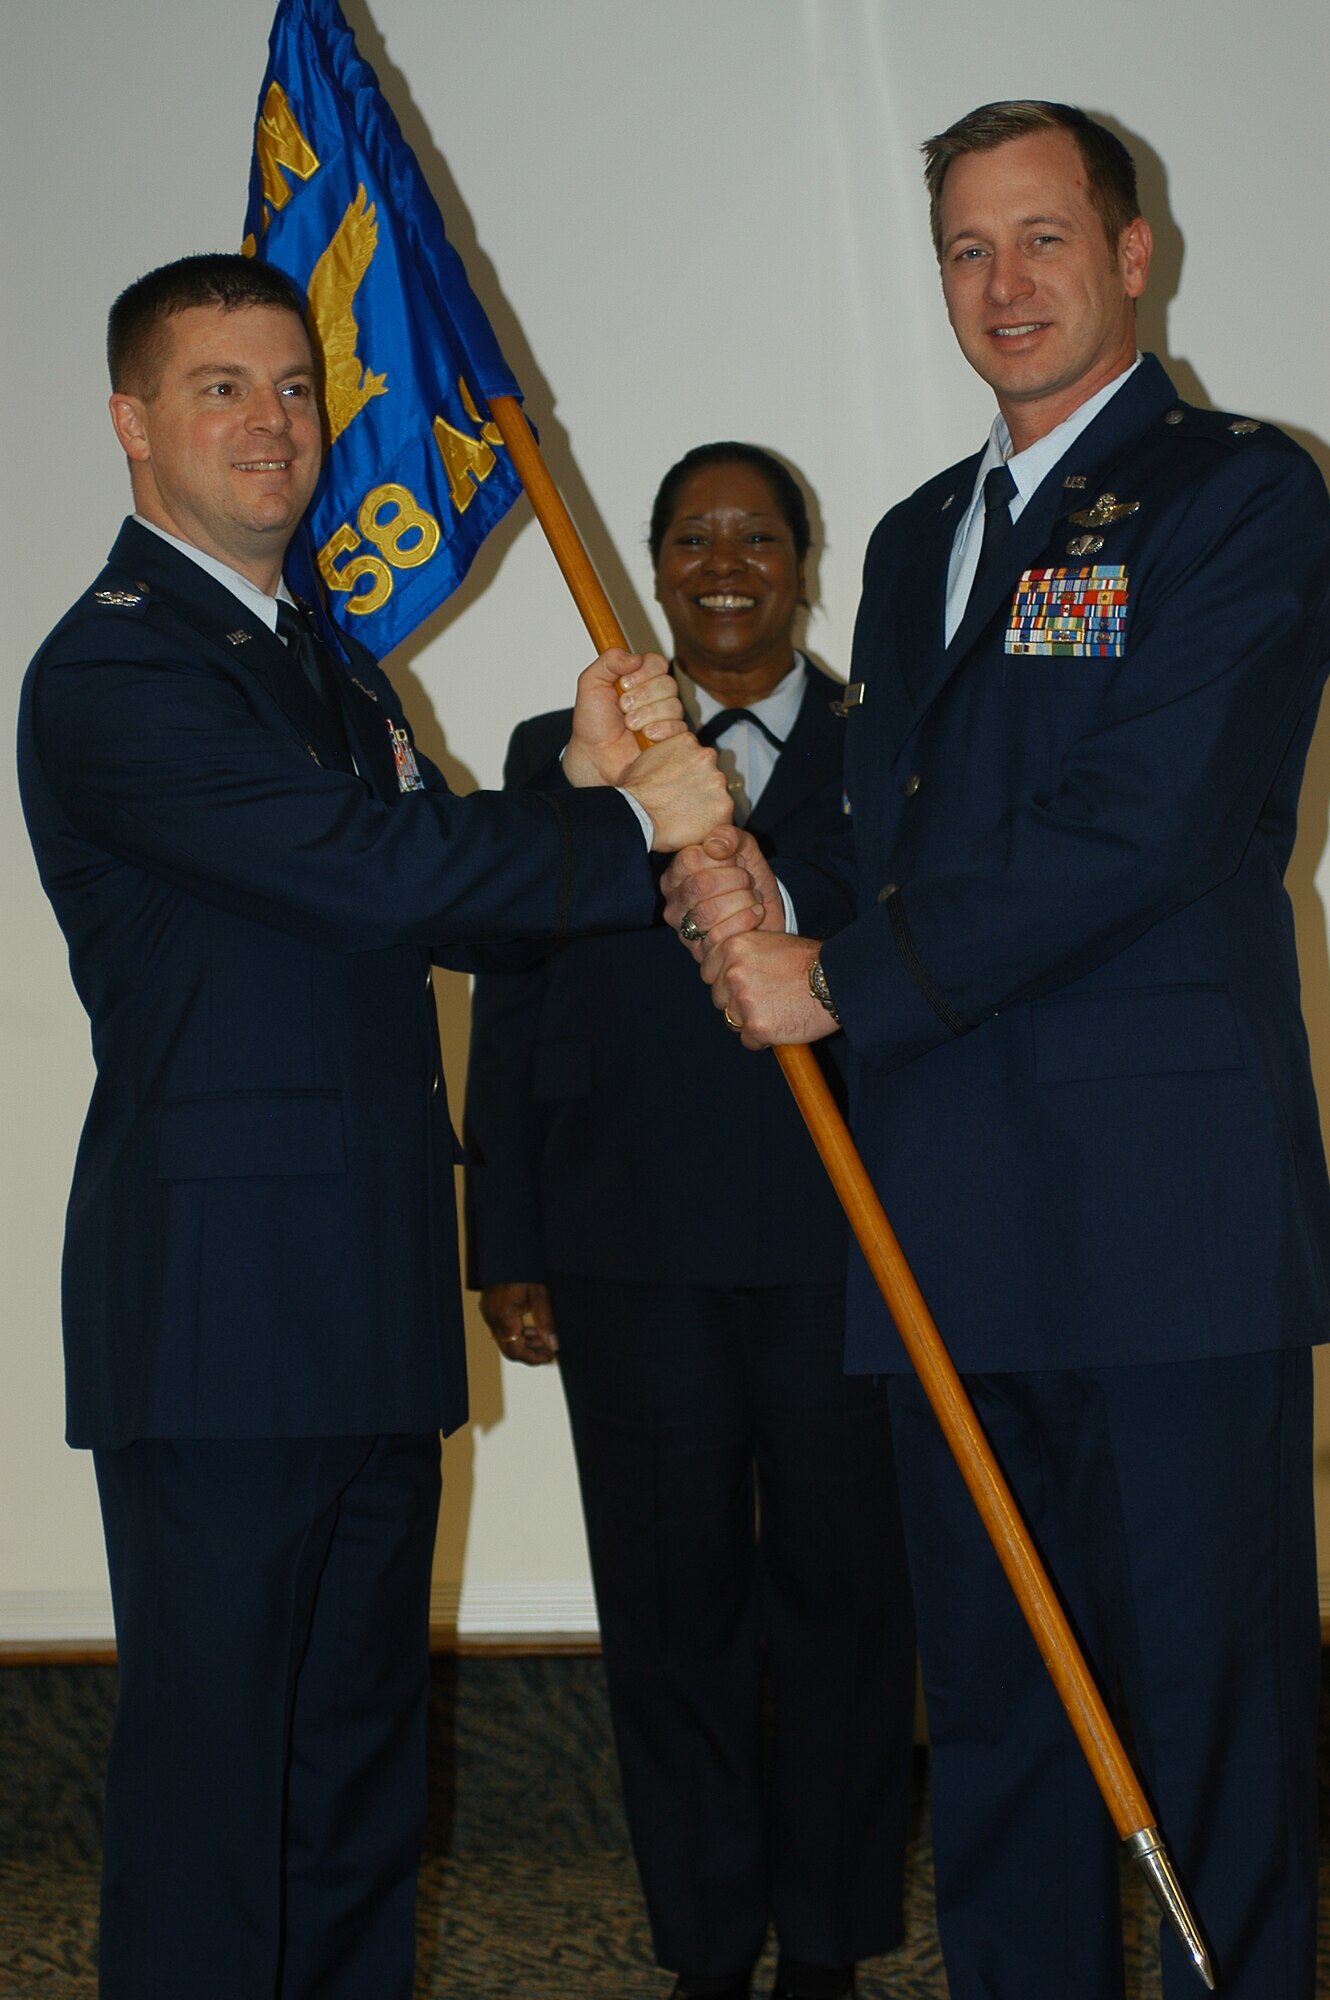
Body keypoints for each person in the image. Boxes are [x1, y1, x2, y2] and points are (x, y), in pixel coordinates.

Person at [662, 104, 1330, 1999]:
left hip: (1163, 1225)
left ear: (1135, 255)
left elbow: (1154, 819)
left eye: (1044, 240)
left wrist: (841, 982)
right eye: (967, 249)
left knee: (1209, 1710)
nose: (1004, 285)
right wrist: (707, 849)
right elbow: (897, 833)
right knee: (1003, 1725)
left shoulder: (1237, 496)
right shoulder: (907, 540)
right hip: (948, 1215)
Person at [16, 252, 731, 2000]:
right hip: (219, 1316)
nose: (271, 423)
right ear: (130, 422)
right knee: (216, 1795)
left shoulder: (323, 666)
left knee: (349, 1785)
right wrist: (637, 827)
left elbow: (460, 911)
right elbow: (358, 872)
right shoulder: (114, 673)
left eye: (292, 387)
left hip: (358, 1297)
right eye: (218, 388)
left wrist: (570, 791)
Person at [464, 444, 917, 2000]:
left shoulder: (889, 752)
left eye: (758, 535)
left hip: (843, 1259)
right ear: (652, 571)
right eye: (693, 538)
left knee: (849, 1616)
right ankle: (705, 1947)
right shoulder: (563, 757)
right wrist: (504, 1236)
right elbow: (509, 1005)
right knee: (670, 1619)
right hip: (625, 1257)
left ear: (805, 563)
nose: (725, 561)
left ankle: (830, 1945)